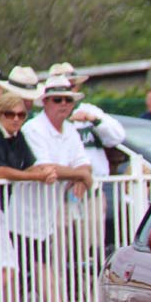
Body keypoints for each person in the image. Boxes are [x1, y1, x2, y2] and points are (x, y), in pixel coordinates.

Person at [16, 77, 97, 302]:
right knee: (11, 269)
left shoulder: (70, 131)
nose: (64, 104)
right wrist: (80, 175)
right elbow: (46, 167)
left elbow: (84, 164)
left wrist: (81, 176)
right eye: (58, 99)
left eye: (68, 99)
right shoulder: (33, 129)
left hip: (45, 214)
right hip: (20, 212)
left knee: (38, 266)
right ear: (46, 102)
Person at [0, 93, 58, 302]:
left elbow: (27, 165)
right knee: (6, 266)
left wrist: (45, 171)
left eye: (21, 115)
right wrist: (37, 176)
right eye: (11, 114)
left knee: (7, 265)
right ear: (0, 114)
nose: (16, 120)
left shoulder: (16, 137)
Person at [51, 63, 127, 254]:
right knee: (60, 246)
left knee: (92, 247)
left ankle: (89, 281)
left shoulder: (89, 110)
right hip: (60, 193)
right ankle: (61, 283)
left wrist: (93, 119)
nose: (68, 91)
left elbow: (117, 136)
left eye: (71, 85)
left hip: (92, 189)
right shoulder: (48, 118)